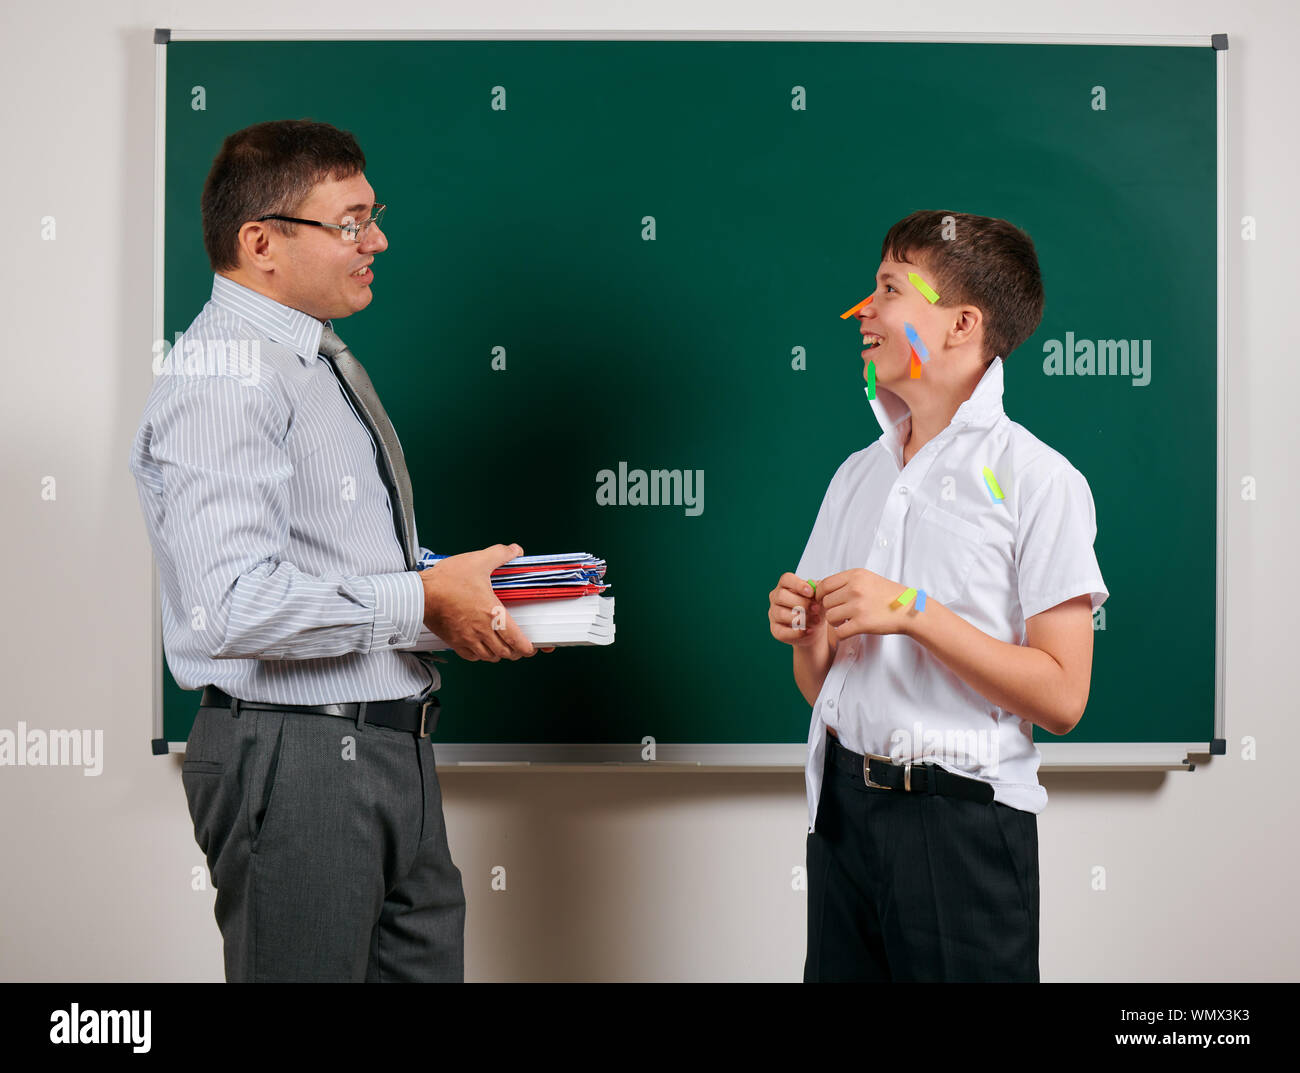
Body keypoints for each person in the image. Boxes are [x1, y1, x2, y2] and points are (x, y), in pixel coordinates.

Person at [129, 119, 550, 982]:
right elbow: (236, 604)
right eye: (351, 222)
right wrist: (424, 600)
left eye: (374, 214)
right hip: (300, 760)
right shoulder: (224, 376)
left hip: (391, 747)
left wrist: (457, 600)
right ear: (262, 243)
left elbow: (332, 562)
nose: (378, 240)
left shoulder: (310, 361)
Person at [768, 210, 1108, 982]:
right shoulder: (857, 475)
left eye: (889, 288)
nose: (865, 310)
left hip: (962, 825)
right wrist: (807, 634)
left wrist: (915, 612)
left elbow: (1063, 695)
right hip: (844, 816)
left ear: (961, 323)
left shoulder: (1038, 480)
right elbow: (824, 685)